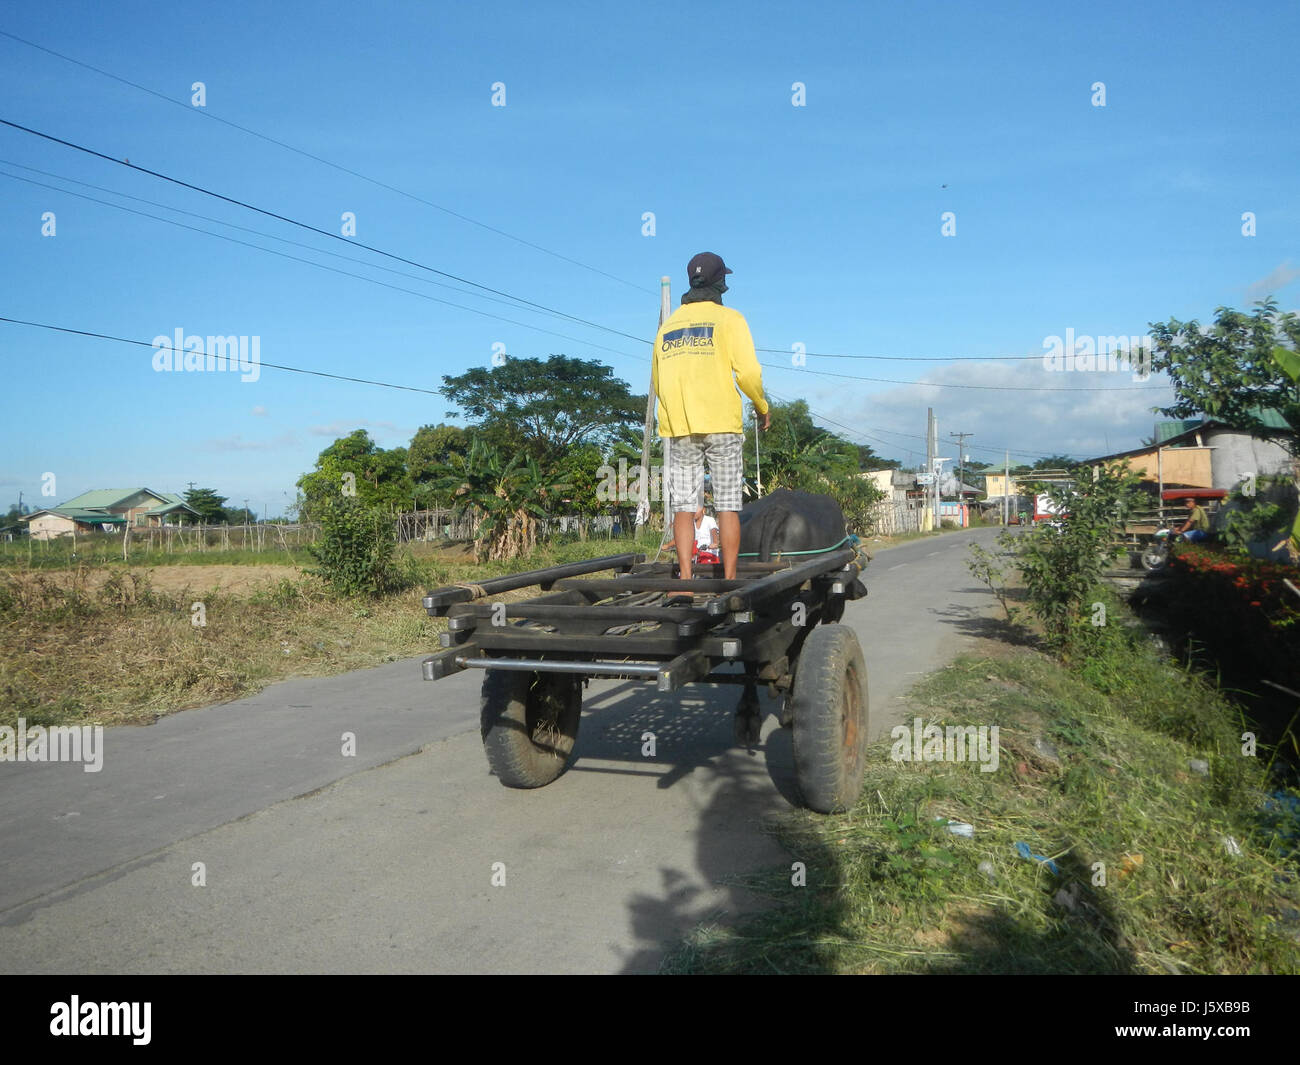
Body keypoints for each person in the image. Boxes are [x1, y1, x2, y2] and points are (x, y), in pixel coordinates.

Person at [652, 251, 770, 582]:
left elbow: (659, 381)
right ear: (721, 283)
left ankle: (686, 582)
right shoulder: (730, 319)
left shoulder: (669, 325)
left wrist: (677, 416)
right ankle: (729, 581)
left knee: (684, 507)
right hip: (722, 424)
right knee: (728, 505)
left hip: (681, 427)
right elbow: (748, 373)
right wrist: (761, 406)